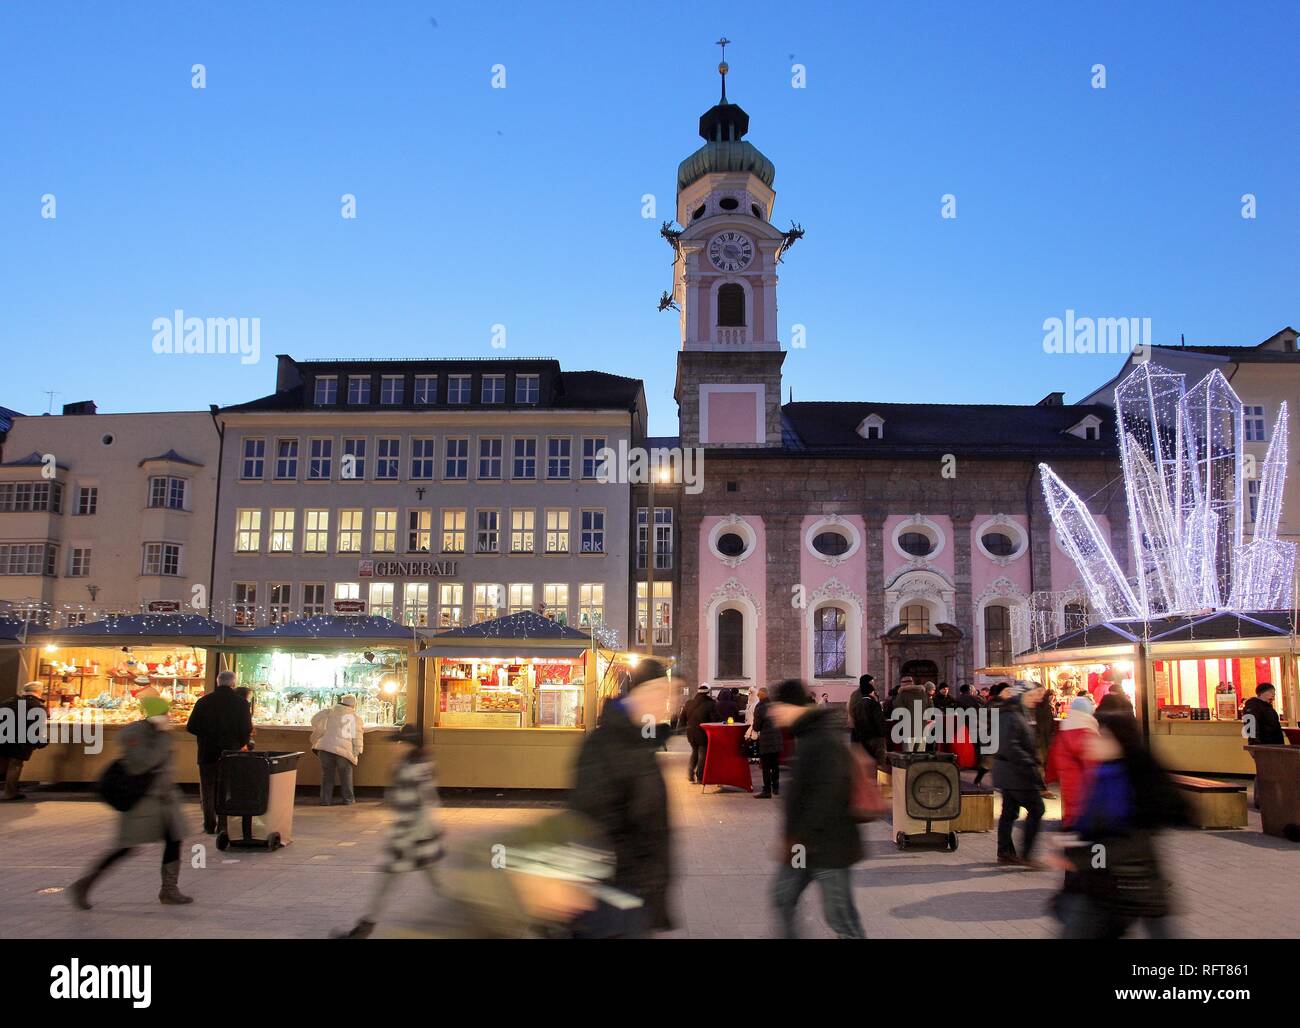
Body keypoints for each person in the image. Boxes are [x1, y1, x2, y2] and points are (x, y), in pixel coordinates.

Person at [1052, 710, 1188, 938]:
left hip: (1130, 885)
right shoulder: (1104, 775)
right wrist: (1071, 836)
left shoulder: (1128, 783)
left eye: (1101, 736)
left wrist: (1078, 856)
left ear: (1119, 741)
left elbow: (1124, 842)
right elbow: (1094, 827)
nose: (1091, 740)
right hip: (1105, 884)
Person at [570, 659, 674, 934]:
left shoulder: (640, 742)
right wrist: (626, 886)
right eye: (661, 693)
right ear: (641, 693)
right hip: (615, 897)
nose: (666, 703)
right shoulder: (604, 744)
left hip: (638, 896)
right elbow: (590, 822)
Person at [69, 692, 193, 908]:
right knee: (126, 847)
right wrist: (163, 740)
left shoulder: (160, 733)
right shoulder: (135, 734)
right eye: (164, 713)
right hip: (141, 801)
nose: (168, 717)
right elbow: (142, 763)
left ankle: (169, 889)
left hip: (164, 800)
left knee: (174, 840)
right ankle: (85, 884)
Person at [767, 679, 866, 939]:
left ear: (792, 706)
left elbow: (826, 794)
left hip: (828, 847)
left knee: (840, 916)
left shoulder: (821, 738)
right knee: (783, 896)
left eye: (777, 706)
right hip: (804, 847)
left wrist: (797, 837)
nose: (773, 712)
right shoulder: (807, 734)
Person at [336, 722, 445, 938]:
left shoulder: (407, 768)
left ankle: (366, 926)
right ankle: (366, 925)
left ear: (408, 745)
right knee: (431, 883)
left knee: (392, 880)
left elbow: (412, 803)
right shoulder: (422, 764)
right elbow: (429, 799)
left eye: (398, 742)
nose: (394, 747)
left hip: (410, 837)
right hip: (422, 835)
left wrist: (405, 835)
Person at [185, 669, 253, 834]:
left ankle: (209, 824)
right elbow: (246, 729)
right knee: (226, 788)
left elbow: (191, 726)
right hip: (230, 753)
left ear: (217, 682)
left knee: (208, 789)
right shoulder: (241, 704)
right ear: (233, 683)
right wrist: (240, 743)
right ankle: (223, 824)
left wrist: (206, 735)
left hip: (207, 752)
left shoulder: (203, 701)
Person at [994, 682, 1047, 867]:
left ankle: (1006, 852)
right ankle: (1026, 854)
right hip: (1016, 772)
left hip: (1010, 771)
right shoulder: (1011, 714)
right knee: (1037, 808)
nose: (1037, 699)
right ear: (1022, 695)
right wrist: (1029, 762)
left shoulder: (1018, 712)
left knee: (1009, 812)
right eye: (1033, 695)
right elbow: (1009, 745)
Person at [1045, 695, 1098, 828]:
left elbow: (1053, 755)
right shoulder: (1087, 730)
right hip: (1084, 781)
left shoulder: (1064, 729)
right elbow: (1092, 760)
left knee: (1071, 811)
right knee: (1084, 811)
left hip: (1067, 779)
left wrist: (1050, 776)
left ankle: (1070, 835)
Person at [310, 694, 365, 805]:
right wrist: (357, 750)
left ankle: (325, 800)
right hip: (344, 751)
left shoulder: (329, 712)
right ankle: (348, 800)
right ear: (354, 705)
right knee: (346, 776)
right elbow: (357, 736)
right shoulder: (354, 718)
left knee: (327, 775)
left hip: (324, 747)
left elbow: (313, 720)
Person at [0, 682, 48, 801]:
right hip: (21, 742)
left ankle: (11, 790)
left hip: (4, 738)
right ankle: (9, 793)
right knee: (15, 765)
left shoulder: (8, 702)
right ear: (39, 692)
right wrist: (41, 742)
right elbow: (36, 729)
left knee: (4, 764)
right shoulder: (37, 707)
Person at [973, 682, 1011, 786]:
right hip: (992, 737)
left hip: (1000, 737)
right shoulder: (994, 704)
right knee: (988, 763)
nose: (1010, 693)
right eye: (1007, 691)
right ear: (1000, 693)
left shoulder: (1004, 703)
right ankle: (979, 780)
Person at [679, 684, 718, 784]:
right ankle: (700, 776)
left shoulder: (689, 703)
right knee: (703, 755)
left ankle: (690, 774)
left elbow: (682, 718)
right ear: (707, 693)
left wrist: (683, 727)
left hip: (691, 733)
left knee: (694, 751)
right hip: (703, 732)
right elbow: (715, 719)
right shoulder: (711, 704)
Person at [752, 687, 784, 798]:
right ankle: (776, 788)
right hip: (777, 739)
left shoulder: (759, 707)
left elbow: (756, 727)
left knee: (765, 766)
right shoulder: (775, 705)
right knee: (775, 765)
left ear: (761, 695)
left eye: (758, 695)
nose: (757, 697)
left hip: (766, 740)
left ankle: (766, 791)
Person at [848, 674, 887, 766]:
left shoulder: (858, 695)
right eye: (872, 682)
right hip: (867, 732)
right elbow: (854, 712)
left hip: (861, 732)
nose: (874, 684)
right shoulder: (858, 695)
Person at [891, 675, 930, 752]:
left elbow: (898, 711)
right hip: (922, 729)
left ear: (903, 684)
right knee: (920, 755)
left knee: (908, 755)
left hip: (908, 730)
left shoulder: (902, 694)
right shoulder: (923, 693)